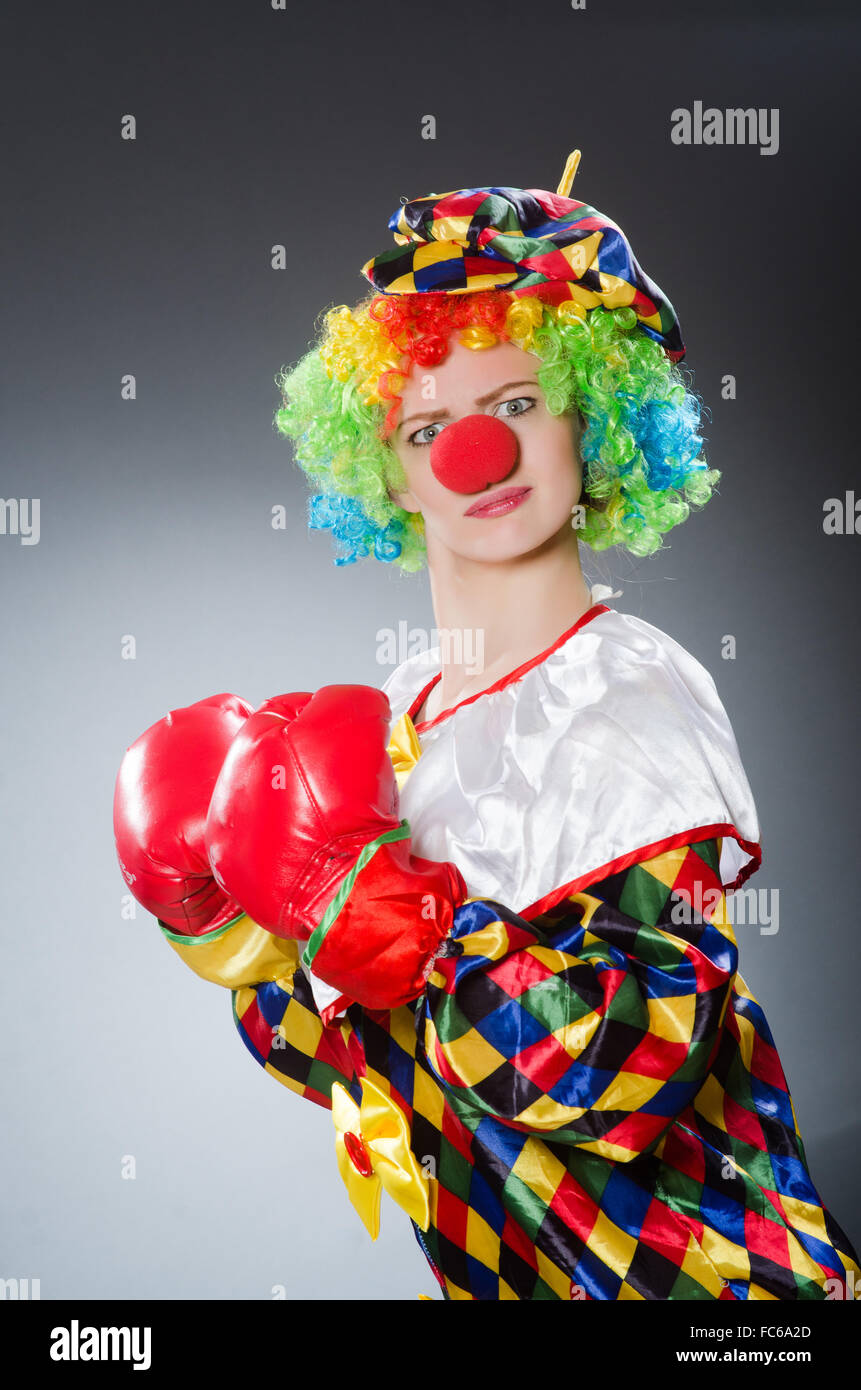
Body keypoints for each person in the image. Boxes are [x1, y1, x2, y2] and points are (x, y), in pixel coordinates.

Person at [114, 149, 860, 1301]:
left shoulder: (626, 696)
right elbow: (369, 1070)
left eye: (516, 404)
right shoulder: (403, 716)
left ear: (594, 420)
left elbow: (636, 1068)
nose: (476, 456)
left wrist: (410, 932)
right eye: (428, 429)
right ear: (387, 471)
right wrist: (237, 933)